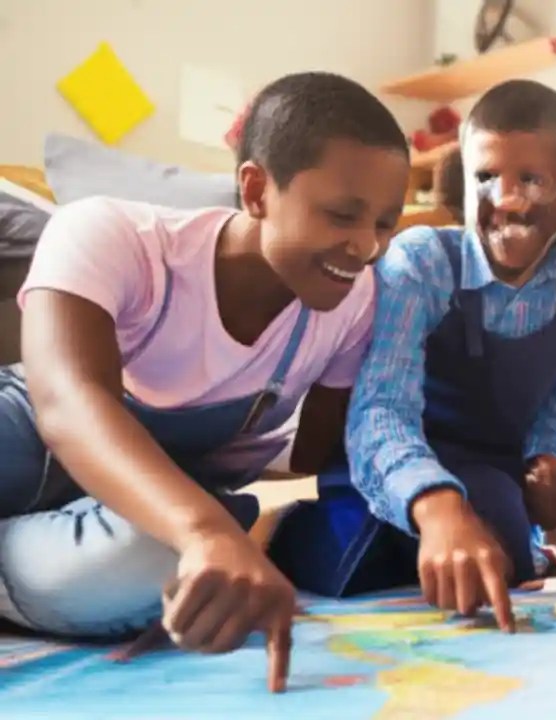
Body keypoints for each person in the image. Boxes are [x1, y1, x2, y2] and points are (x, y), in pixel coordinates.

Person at [0, 71, 410, 691]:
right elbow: (68, 406)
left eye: (384, 223)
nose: (366, 247)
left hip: (131, 514)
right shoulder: (110, 235)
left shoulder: (352, 305)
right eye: (342, 214)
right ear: (256, 189)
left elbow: (318, 453)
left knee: (152, 569)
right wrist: (208, 530)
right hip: (28, 443)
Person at [267, 79, 556, 631]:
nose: (507, 199)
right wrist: (437, 503)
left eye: (532, 180)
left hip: (493, 477)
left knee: (506, 551)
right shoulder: (421, 261)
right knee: (359, 556)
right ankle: (287, 529)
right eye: (486, 179)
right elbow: (380, 409)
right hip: (391, 463)